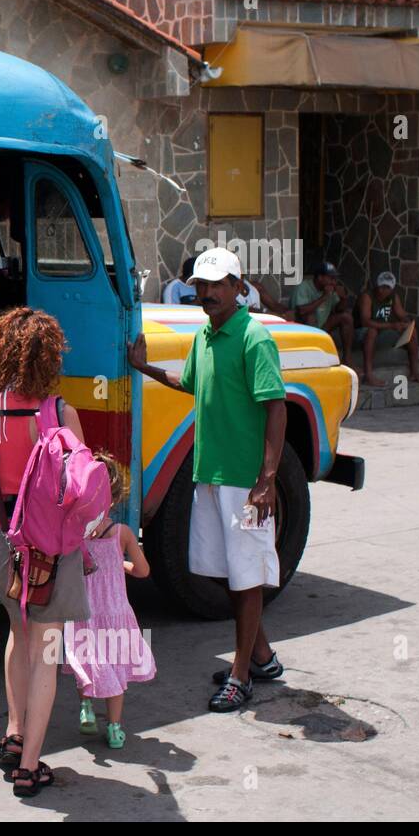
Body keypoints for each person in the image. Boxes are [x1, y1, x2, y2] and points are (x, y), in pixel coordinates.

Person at [129, 247, 287, 713]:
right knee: (220, 573)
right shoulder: (204, 335)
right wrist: (145, 368)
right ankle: (261, 656)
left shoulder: (254, 338)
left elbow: (275, 407)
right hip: (210, 473)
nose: (209, 293)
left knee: (246, 576)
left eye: (219, 285)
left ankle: (242, 674)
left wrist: (268, 479)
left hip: (245, 479)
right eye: (202, 285)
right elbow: (192, 384)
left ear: (240, 288)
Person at [0, 306, 89, 797]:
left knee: (17, 632)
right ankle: (28, 767)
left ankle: (13, 731)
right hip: (46, 547)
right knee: (46, 651)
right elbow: (80, 492)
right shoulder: (58, 414)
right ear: (49, 357)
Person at [62, 453, 155, 749]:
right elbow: (143, 571)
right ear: (114, 498)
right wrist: (121, 565)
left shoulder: (75, 534)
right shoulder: (122, 534)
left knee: (85, 663)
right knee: (116, 670)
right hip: (114, 611)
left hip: (82, 611)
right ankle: (114, 728)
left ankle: (86, 708)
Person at [355, 271, 419, 387]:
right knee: (372, 331)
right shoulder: (367, 296)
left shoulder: (393, 296)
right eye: (382, 286)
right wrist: (392, 325)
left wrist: (407, 322)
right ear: (377, 285)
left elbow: (401, 313)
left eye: (387, 288)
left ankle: (414, 371)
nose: (383, 290)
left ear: (391, 289)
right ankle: (368, 375)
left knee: (411, 330)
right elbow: (365, 322)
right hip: (362, 332)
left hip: (383, 330)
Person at [291, 261, 355, 366]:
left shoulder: (330, 289)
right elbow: (301, 312)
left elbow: (338, 310)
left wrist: (343, 298)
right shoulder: (304, 287)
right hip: (301, 330)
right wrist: (324, 297)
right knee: (310, 317)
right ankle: (311, 357)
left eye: (335, 279)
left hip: (322, 326)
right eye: (331, 278)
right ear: (320, 277)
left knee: (346, 317)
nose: (334, 282)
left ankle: (347, 358)